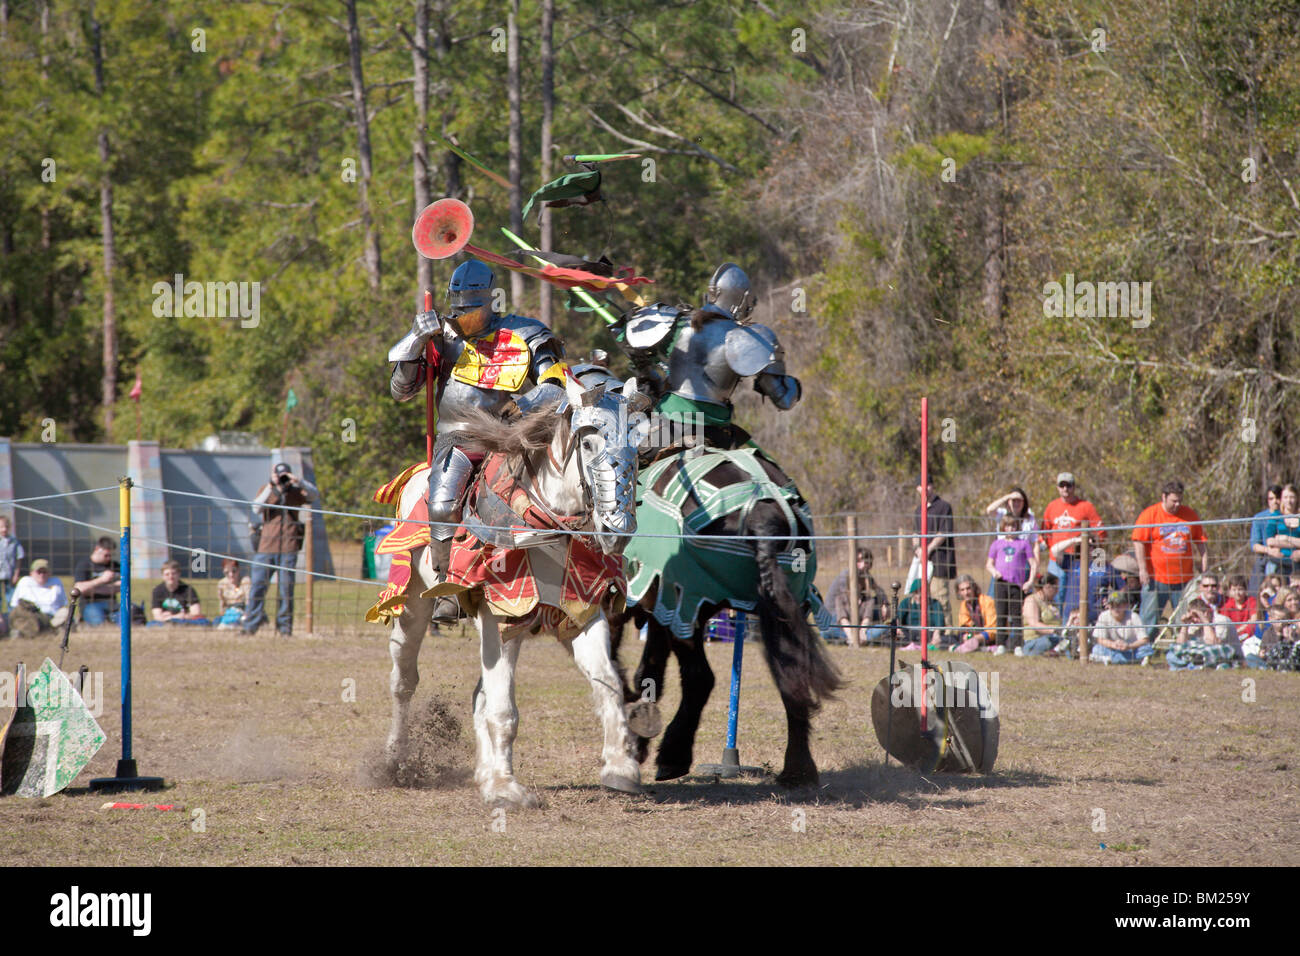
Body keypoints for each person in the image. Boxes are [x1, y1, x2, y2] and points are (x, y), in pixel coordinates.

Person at [389, 258, 569, 623]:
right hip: (457, 440)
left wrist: (524, 407)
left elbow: (557, 383)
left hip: (507, 438)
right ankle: (447, 584)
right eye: (459, 309)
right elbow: (401, 390)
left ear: (491, 301)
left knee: (561, 489)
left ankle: (556, 575)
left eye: (472, 308)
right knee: (441, 504)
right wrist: (417, 338)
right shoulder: (444, 337)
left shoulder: (526, 333)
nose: (464, 316)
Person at [242, 462, 319, 636]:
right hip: (265, 547)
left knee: (285, 589)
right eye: (279, 475)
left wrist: (299, 481)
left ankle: (284, 629)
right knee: (257, 587)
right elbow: (256, 507)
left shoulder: (296, 491)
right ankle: (250, 626)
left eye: (285, 475)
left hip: (289, 547)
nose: (282, 479)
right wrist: (271, 485)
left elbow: (314, 495)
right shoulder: (266, 489)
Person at [1132, 479, 1209, 641]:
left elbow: (1201, 542)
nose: (1177, 505)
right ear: (1164, 497)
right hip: (1155, 579)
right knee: (1149, 618)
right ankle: (1144, 649)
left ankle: (1183, 648)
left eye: (1180, 501)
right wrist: (1142, 569)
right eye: (1174, 501)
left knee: (1184, 618)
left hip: (1184, 580)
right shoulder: (1150, 514)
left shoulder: (1189, 515)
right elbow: (1138, 541)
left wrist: (1204, 569)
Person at [1039, 473, 1105, 618]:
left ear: (1074, 487)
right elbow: (1044, 532)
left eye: (1068, 485)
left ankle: (1074, 629)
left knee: (1075, 597)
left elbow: (1101, 533)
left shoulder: (1085, 507)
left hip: (1078, 560)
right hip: (1057, 560)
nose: (1065, 489)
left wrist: (1093, 550)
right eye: (1062, 485)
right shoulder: (1052, 506)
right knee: (1055, 597)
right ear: (1057, 488)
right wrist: (1051, 548)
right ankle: (1057, 630)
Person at [985, 515, 1037, 651]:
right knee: (1001, 614)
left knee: (1016, 616)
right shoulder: (997, 544)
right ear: (1003, 527)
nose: (1010, 529)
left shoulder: (1023, 544)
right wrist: (994, 572)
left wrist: (1030, 581)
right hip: (1001, 583)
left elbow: (1033, 563)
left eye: (1013, 526)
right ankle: (1000, 644)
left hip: (1016, 585)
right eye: (1007, 526)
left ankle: (1018, 645)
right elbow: (989, 564)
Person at [913, 475, 956, 637]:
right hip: (922, 562)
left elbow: (944, 532)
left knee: (941, 597)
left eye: (928, 484)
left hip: (941, 560)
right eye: (922, 485)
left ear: (933, 486)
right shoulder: (918, 510)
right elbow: (915, 533)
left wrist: (928, 548)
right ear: (917, 488)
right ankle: (931, 632)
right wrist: (918, 548)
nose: (925, 488)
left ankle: (948, 633)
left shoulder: (944, 507)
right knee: (924, 597)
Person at [824, 548, 890, 646]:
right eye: (859, 561)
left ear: (870, 564)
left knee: (878, 611)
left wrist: (885, 604)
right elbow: (845, 609)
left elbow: (879, 591)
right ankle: (855, 638)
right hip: (836, 615)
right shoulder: (846, 576)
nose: (862, 564)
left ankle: (855, 636)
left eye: (866, 561)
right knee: (826, 631)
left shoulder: (866, 577)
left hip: (858, 613)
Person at [1166, 598, 1239, 670]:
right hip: (1199, 656)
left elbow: (1212, 643)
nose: (1194, 620)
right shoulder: (1194, 623)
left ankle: (1189, 667)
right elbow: (1180, 645)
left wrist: (1204, 620)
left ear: (1206, 613)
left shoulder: (1222, 620)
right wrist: (1185, 625)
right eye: (1192, 617)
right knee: (1170, 655)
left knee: (1205, 654)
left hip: (1224, 656)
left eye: (1197, 616)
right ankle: (1193, 666)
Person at [1088, 590, 1154, 665]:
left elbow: (1144, 639)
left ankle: (1113, 660)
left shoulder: (1134, 616)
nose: (1116, 608)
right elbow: (1100, 639)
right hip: (1112, 649)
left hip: (1131, 649)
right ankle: (1131, 660)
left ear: (1126, 605)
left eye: (1119, 605)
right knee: (1097, 649)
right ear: (1108, 606)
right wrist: (1113, 644)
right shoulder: (1103, 616)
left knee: (1147, 648)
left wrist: (1129, 646)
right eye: (1112, 606)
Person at [8, 559, 69, 637]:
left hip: (51, 618)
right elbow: (15, 605)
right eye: (39, 572)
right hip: (31, 616)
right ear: (31, 573)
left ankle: (45, 630)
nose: (42, 575)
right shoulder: (25, 582)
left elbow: (62, 605)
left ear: (49, 573)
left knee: (66, 612)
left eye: (44, 572)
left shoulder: (56, 582)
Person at [73, 537, 121, 626]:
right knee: (98, 623)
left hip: (113, 605)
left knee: (127, 618)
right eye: (106, 555)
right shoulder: (84, 564)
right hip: (90, 605)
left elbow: (121, 587)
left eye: (111, 555)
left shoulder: (115, 565)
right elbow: (79, 589)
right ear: (97, 549)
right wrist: (101, 580)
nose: (109, 558)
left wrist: (92, 589)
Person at [1020, 573, 1067, 656]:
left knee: (1070, 639)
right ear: (1048, 587)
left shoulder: (1052, 603)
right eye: (1056, 588)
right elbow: (1034, 624)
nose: (1057, 591)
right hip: (1035, 640)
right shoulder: (1031, 600)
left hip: (1054, 638)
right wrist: (1054, 630)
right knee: (1061, 641)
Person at [150, 560, 209, 625]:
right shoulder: (157, 590)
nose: (170, 577)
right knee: (151, 624)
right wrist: (177, 616)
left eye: (173, 573)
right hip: (165, 623)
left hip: (185, 622)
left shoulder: (188, 590)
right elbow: (157, 616)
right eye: (167, 574)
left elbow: (196, 613)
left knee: (203, 622)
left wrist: (176, 617)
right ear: (162, 576)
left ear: (179, 574)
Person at [1248, 485, 1282, 593]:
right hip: (1265, 558)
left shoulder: (1289, 516)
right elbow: (1254, 545)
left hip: (1285, 557)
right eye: (1271, 498)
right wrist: (1269, 550)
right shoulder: (1259, 518)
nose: (1275, 502)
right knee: (1255, 590)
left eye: (1278, 498)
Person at [953, 574, 999, 653]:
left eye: (968, 588)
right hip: (974, 637)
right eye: (962, 590)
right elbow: (965, 626)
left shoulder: (987, 601)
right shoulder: (964, 605)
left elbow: (993, 630)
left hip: (992, 637)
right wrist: (967, 636)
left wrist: (976, 638)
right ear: (959, 592)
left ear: (974, 588)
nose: (966, 592)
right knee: (949, 638)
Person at [897, 577, 946, 649]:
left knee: (948, 639)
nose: (919, 596)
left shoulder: (935, 604)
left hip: (928, 634)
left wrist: (937, 633)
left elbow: (939, 621)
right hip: (909, 634)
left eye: (922, 592)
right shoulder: (906, 602)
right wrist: (898, 628)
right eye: (916, 592)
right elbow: (898, 617)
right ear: (912, 593)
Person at [1264, 484, 1300, 580]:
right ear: (1282, 499)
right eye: (1286, 497)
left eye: (1292, 497)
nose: (1289, 500)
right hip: (1279, 562)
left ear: (1297, 498)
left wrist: (1286, 539)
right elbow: (1270, 541)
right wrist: (1296, 543)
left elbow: (1276, 541)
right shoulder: (1275, 517)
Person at [1220, 575, 1259, 642]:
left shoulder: (1252, 601)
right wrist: (1243, 627)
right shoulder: (1227, 605)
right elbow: (1225, 627)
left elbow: (1254, 621)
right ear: (1230, 591)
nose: (1237, 593)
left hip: (1250, 637)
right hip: (1232, 639)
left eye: (1240, 589)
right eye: (1234, 590)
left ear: (1246, 590)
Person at [217, 558, 252, 630]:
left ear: (238, 570)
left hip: (243, 611)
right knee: (216, 621)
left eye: (234, 571)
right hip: (228, 613)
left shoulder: (246, 581)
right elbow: (222, 604)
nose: (231, 575)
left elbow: (249, 601)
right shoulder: (221, 584)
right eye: (227, 572)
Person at [0, 515, 23, 613]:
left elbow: (19, 557)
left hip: (9, 574)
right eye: (1, 527)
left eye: (6, 526)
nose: (4, 529)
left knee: (11, 599)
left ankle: (11, 620)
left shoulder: (14, 541)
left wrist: (16, 574)